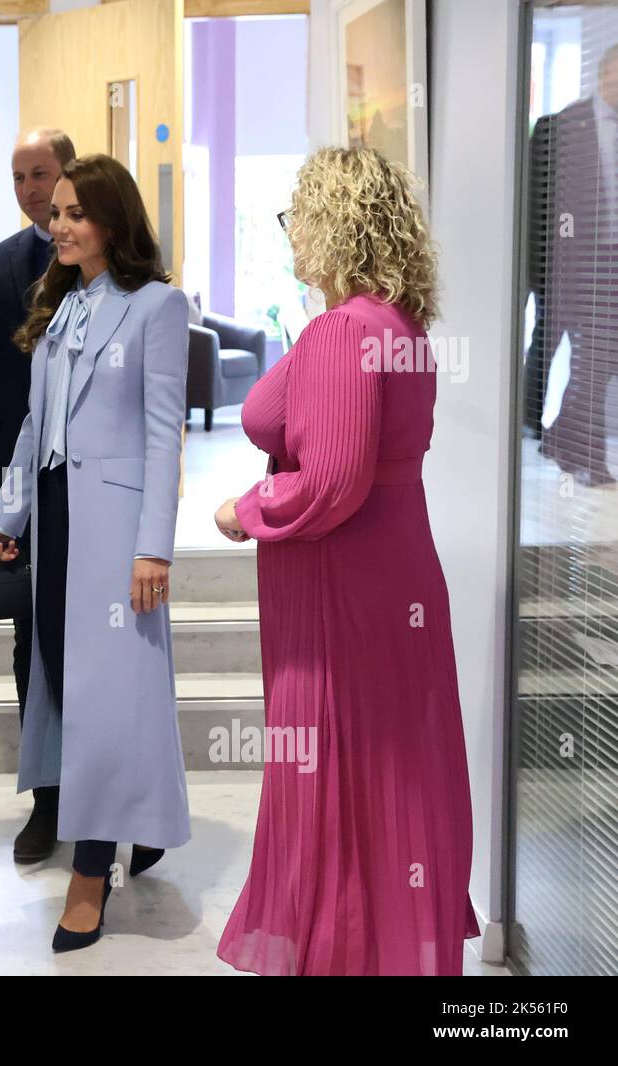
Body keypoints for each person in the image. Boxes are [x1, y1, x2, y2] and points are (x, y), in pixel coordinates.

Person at [213, 146, 481, 975]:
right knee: (388, 773)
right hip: (395, 578)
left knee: (337, 772)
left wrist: (245, 510)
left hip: (341, 590)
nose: (289, 232)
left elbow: (329, 481)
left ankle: (341, 952)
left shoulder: (343, 330)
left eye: (298, 215)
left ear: (333, 222)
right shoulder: (394, 325)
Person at [0, 154, 191, 953]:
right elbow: (39, 426)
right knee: (72, 685)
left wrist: (154, 549)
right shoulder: (62, 305)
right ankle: (134, 820)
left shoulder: (157, 307)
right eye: (56, 212)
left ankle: (90, 871)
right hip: (60, 519)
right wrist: (11, 513)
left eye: (75, 213)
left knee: (112, 696)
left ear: (112, 221)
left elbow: (163, 432)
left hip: (117, 529)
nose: (60, 224)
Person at [0, 126, 75, 863]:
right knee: (30, 638)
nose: (30, 188)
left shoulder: (101, 262)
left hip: (91, 480)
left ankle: (99, 795)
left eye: (41, 173)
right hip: (19, 474)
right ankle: (47, 799)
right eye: (19, 175)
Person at [538, 43, 618, 485]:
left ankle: (562, 439)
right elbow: (551, 209)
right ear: (604, 75)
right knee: (594, 360)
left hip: (614, 264)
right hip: (582, 265)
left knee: (601, 363)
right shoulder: (568, 126)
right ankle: (587, 457)